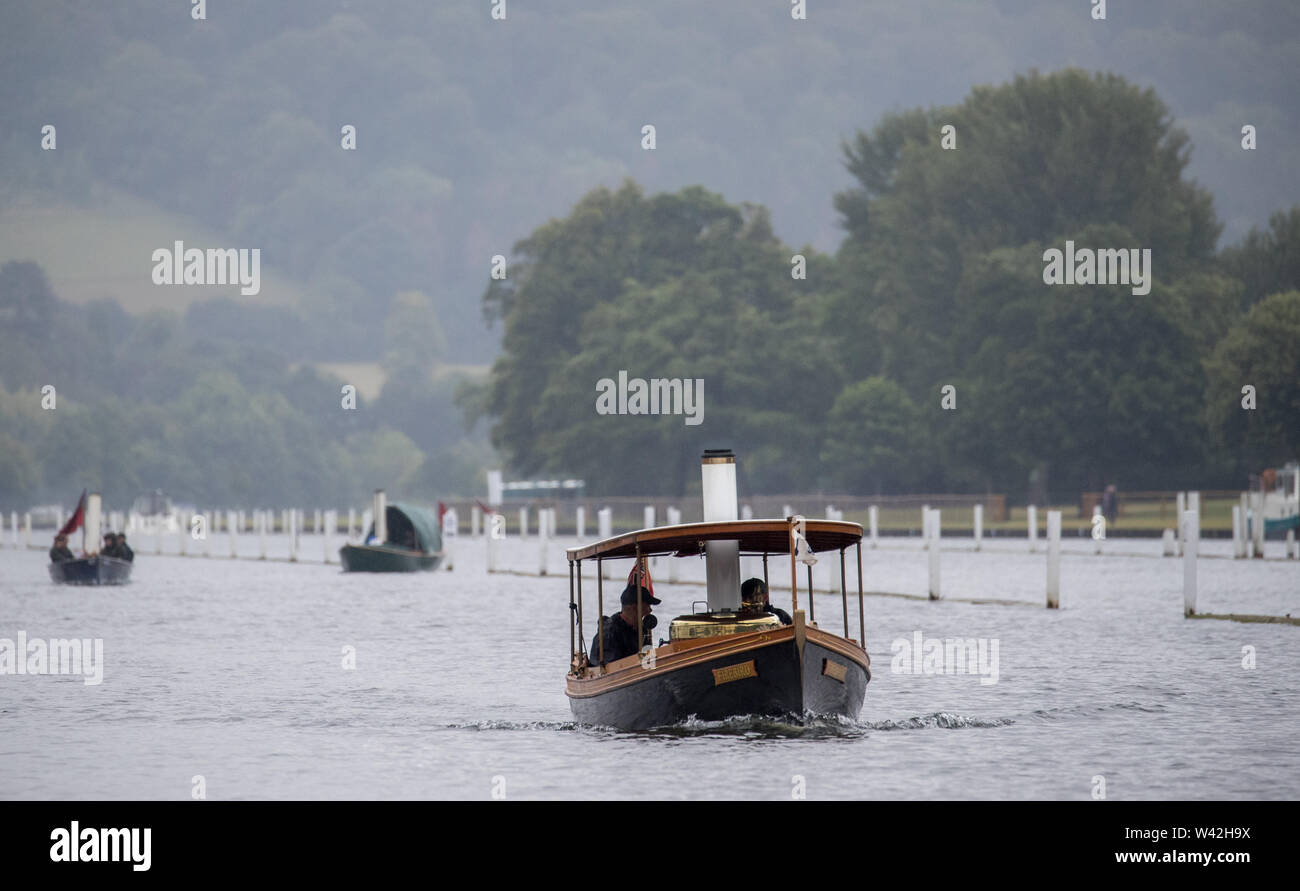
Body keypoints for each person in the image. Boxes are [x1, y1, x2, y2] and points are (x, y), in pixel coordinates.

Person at [589, 584, 661, 665]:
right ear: (634, 608)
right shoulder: (610, 633)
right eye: (647, 606)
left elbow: (648, 661)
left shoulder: (641, 629)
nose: (650, 610)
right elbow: (613, 668)